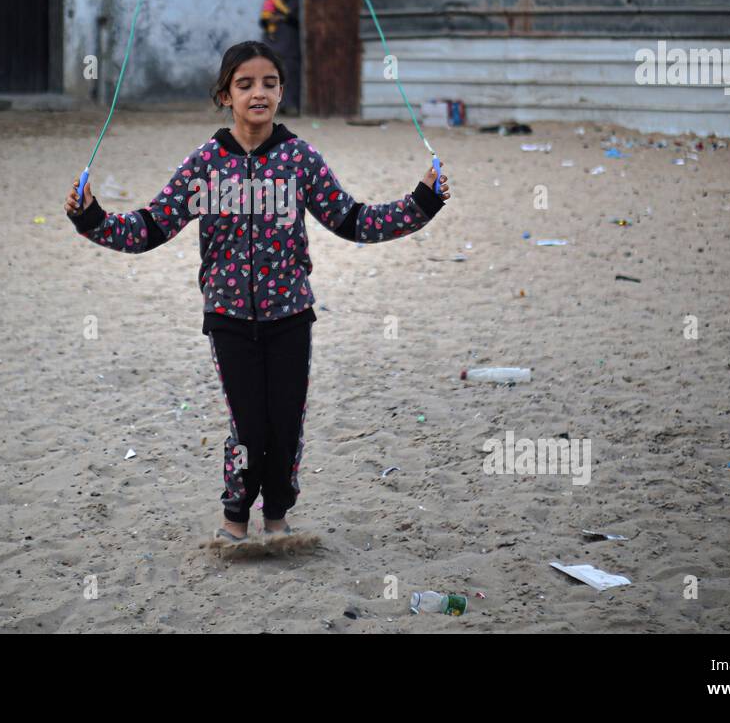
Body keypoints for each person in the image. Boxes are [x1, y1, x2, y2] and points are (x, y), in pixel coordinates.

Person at [65, 40, 449, 543]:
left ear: (282, 91)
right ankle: (234, 522)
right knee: (249, 428)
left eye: (269, 83)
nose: (258, 93)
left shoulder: (299, 158)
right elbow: (151, 227)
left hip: (291, 316)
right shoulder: (205, 163)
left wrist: (421, 201)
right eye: (245, 84)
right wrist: (90, 217)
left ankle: (278, 521)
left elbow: (354, 220)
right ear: (225, 95)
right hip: (227, 317)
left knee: (285, 426)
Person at [271, 0, 302, 115]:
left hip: (291, 47)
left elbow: (295, 19)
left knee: (292, 77)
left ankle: (291, 106)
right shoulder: (277, 3)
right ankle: (280, 105)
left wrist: (283, 18)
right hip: (278, 47)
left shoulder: (296, 2)